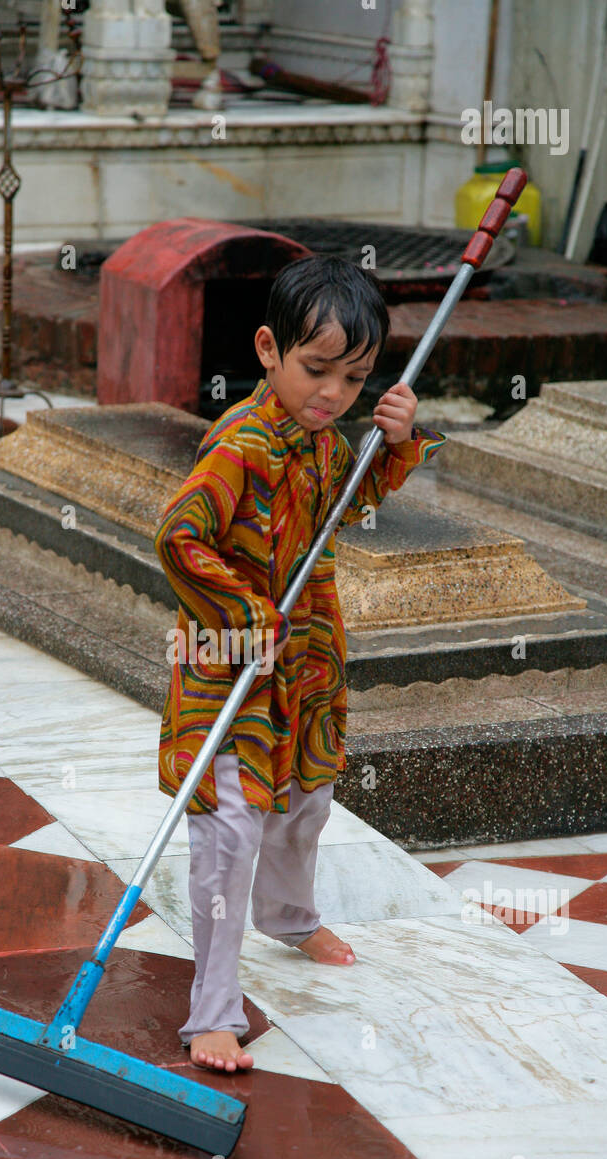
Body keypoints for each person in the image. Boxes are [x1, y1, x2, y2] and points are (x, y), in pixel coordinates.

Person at [154, 254, 446, 1073]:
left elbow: (341, 508)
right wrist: (245, 615)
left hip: (307, 654)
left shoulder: (323, 443)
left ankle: (288, 916)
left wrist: (392, 445)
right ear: (268, 351)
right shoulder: (238, 446)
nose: (332, 394)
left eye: (354, 380)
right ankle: (211, 1009)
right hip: (231, 662)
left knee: (306, 798)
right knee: (230, 826)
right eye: (316, 370)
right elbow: (176, 536)